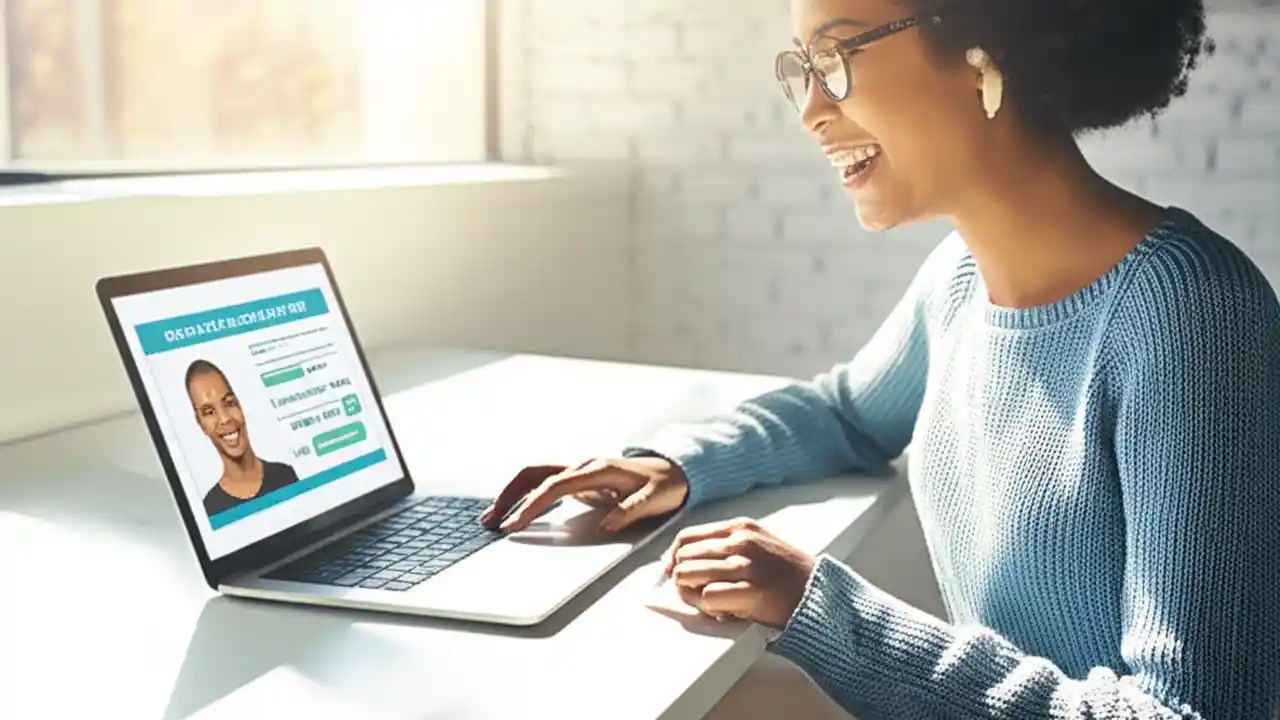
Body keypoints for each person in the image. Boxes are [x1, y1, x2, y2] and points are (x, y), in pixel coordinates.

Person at [482, 0, 1280, 716]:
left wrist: (825, 611)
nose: (809, 110)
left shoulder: (1195, 316)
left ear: (984, 49)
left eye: (835, 58)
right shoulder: (960, 280)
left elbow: (1191, 712)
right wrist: (674, 466)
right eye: (800, 70)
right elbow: (847, 414)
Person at [185, 360, 300, 517]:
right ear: (201, 424)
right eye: (209, 412)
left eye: (229, 403)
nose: (225, 418)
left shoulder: (285, 476)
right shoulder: (211, 509)